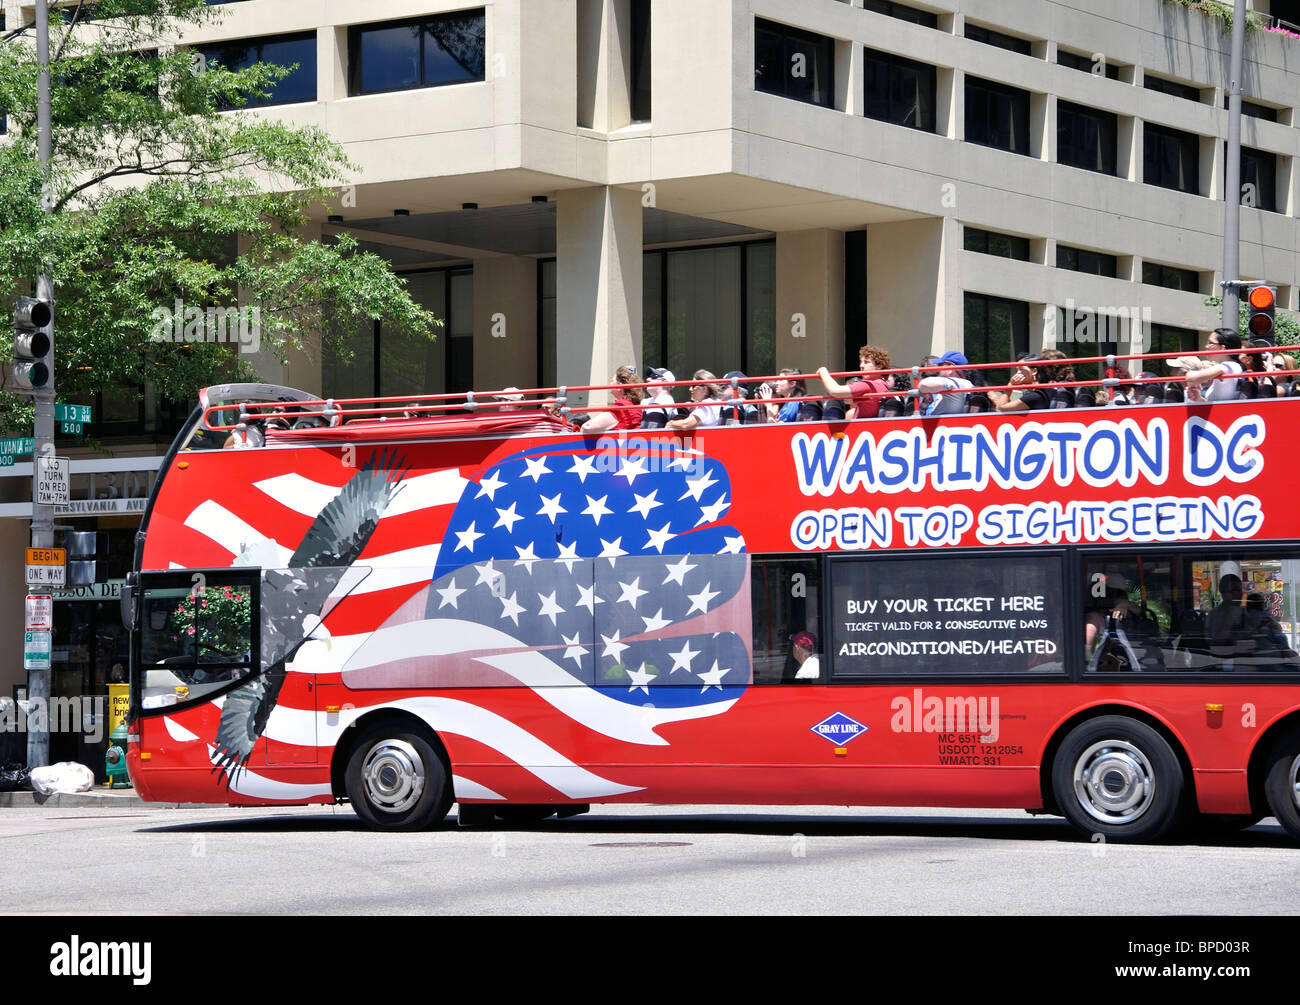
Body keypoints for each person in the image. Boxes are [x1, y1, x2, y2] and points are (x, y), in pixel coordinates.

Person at [817, 344, 892, 419]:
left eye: (866, 362)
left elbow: (835, 391)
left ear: (879, 366)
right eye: (861, 362)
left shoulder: (868, 384)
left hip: (863, 427)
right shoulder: (883, 384)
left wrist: (823, 372)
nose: (861, 366)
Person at [987, 349, 1075, 411]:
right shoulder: (1041, 391)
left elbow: (1000, 408)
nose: (1017, 374)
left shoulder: (1036, 395)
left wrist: (1009, 386)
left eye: (1021, 369)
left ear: (1034, 371)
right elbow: (1012, 407)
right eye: (1017, 370)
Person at [1172, 328, 1244, 402]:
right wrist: (1198, 398)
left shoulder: (1229, 366)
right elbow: (1215, 403)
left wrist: (1188, 373)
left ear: (1222, 348)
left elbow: (1191, 378)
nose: (1206, 346)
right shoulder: (1231, 366)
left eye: (1210, 343)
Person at [581, 365, 644, 432]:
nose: (609, 384)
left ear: (619, 386)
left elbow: (588, 427)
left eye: (612, 381)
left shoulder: (622, 406)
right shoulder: (631, 405)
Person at [916, 350, 973, 415]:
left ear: (950, 369)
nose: (938, 368)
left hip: (946, 423)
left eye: (940, 365)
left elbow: (924, 385)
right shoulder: (963, 383)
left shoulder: (956, 382)